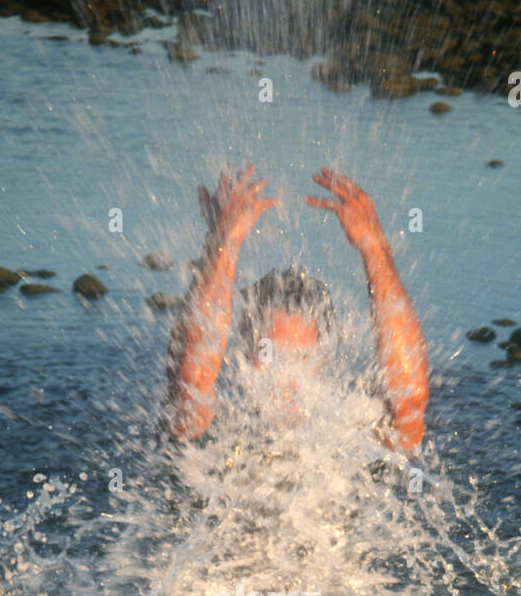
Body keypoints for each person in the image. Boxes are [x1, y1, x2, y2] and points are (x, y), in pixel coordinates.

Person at [166, 164, 429, 450]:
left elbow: (410, 402)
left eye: (302, 358)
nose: (286, 380)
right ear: (244, 353)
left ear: (324, 360)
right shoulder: (213, 434)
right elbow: (191, 381)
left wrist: (375, 248)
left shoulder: (348, 437)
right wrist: (224, 241)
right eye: (271, 354)